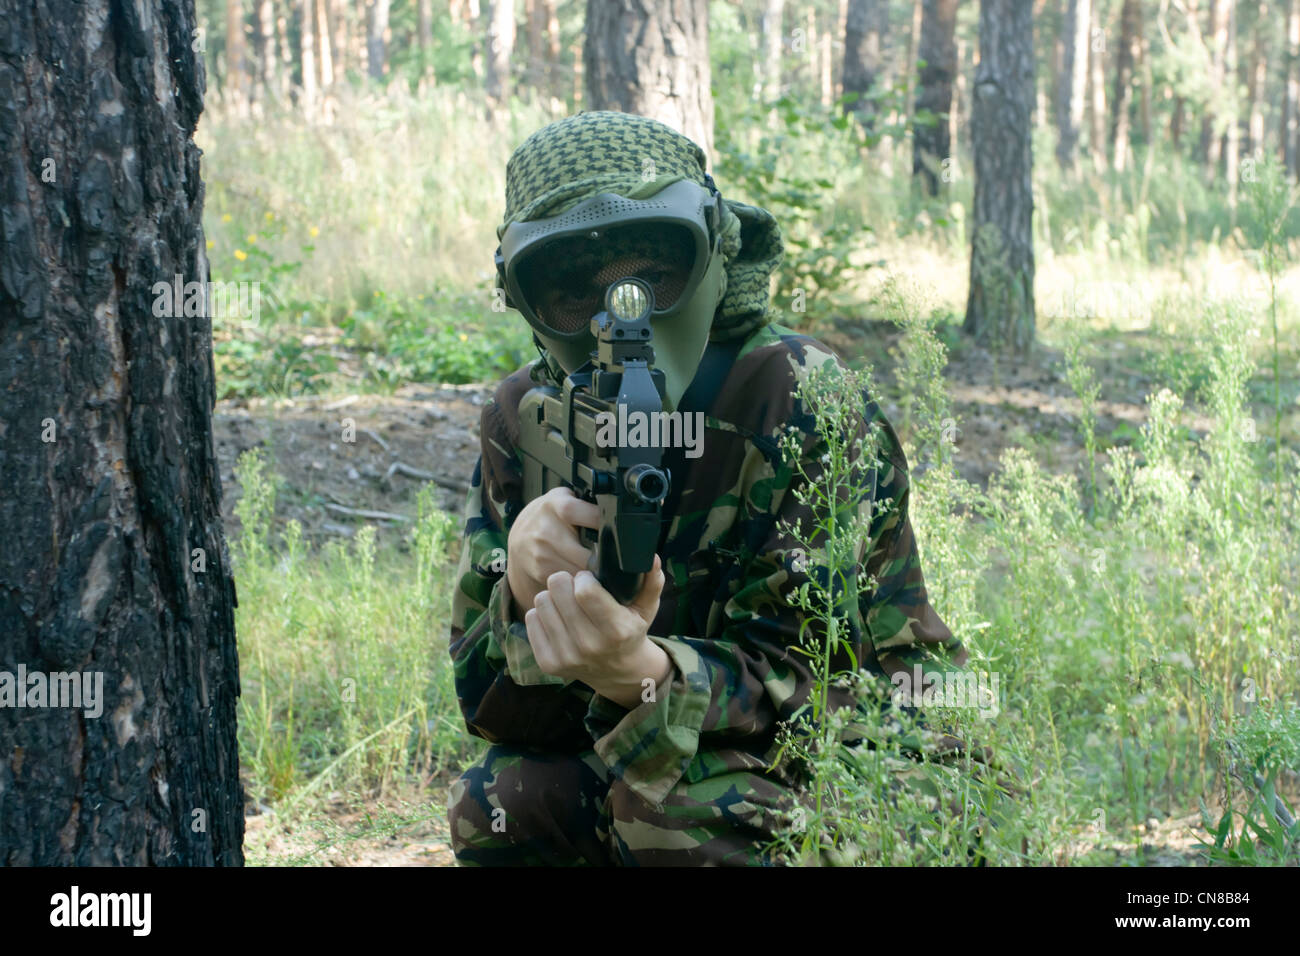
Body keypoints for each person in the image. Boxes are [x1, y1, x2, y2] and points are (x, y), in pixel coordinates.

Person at [445, 110, 974, 866]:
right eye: (572, 292)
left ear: (716, 258)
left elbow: (817, 686)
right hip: (672, 748)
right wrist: (526, 598)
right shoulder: (524, 423)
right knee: (502, 801)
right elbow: (489, 711)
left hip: (874, 755)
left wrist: (646, 675)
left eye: (653, 278)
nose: (618, 319)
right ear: (524, 299)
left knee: (674, 811)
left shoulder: (796, 402)